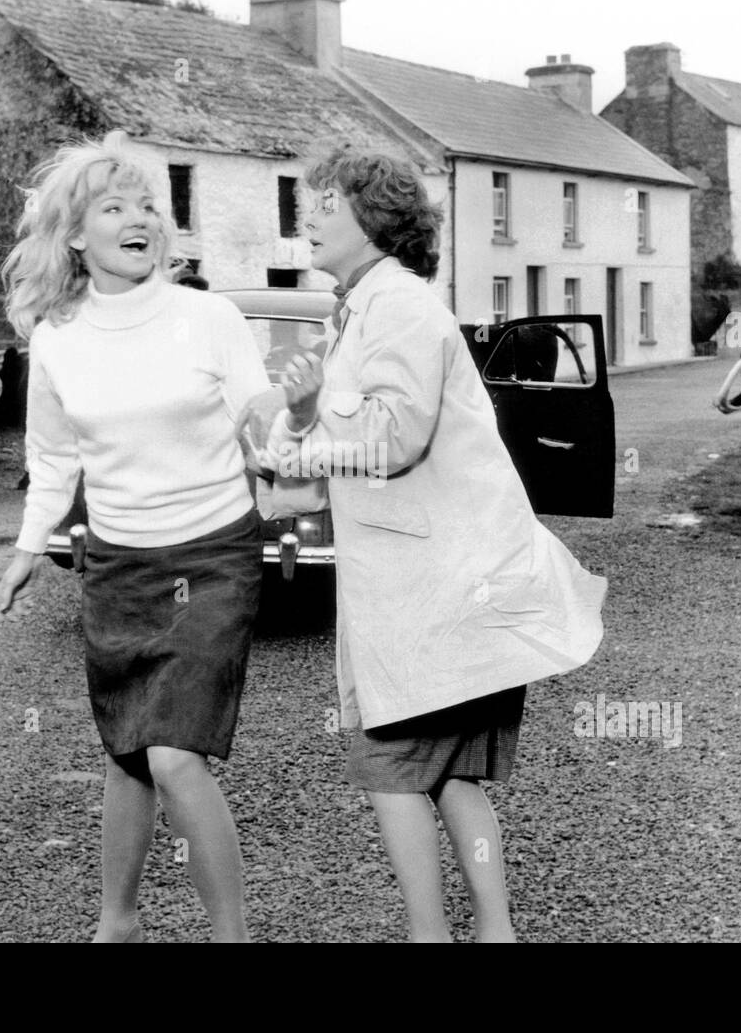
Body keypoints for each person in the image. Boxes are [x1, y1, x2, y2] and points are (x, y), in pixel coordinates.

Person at [252, 146, 608, 943]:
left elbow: (394, 436)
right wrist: (295, 438)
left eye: (326, 203)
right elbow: (344, 441)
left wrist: (303, 426)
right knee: (449, 773)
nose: (308, 217)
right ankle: (494, 932)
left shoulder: (402, 307)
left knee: (391, 772)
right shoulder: (369, 306)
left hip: (437, 595)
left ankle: (431, 936)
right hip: (444, 586)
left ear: (374, 219)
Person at [0, 132, 274, 943]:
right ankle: (117, 921)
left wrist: (290, 422)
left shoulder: (209, 317)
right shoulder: (58, 339)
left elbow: (259, 415)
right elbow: (51, 456)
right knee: (128, 749)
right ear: (75, 235)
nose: (139, 218)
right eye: (114, 206)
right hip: (116, 564)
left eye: (147, 204)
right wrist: (23, 550)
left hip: (214, 555)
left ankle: (232, 937)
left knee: (174, 754)